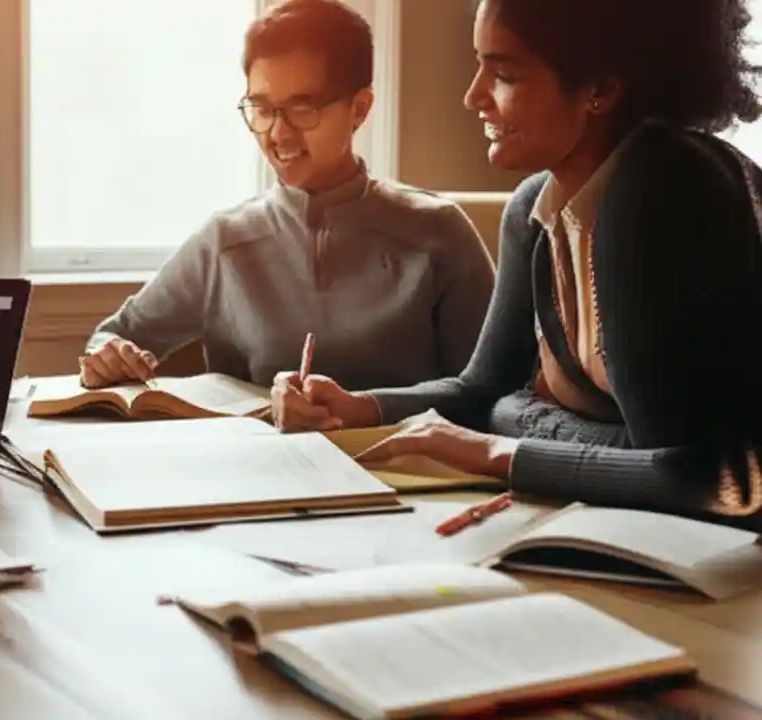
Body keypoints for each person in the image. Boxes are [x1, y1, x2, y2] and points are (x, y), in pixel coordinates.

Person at [273, 0, 762, 530]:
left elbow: (705, 477)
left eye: (503, 73)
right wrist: (355, 407)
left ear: (600, 89)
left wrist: (498, 448)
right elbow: (481, 393)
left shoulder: (661, 187)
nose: (473, 96)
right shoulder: (533, 209)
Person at [80, 0, 494, 390]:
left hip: (403, 465)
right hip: (259, 462)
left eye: (302, 109)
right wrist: (109, 355)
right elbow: (114, 336)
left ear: (360, 108)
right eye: (262, 109)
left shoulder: (440, 233)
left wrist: (367, 413)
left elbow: (489, 389)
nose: (278, 134)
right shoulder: (225, 240)